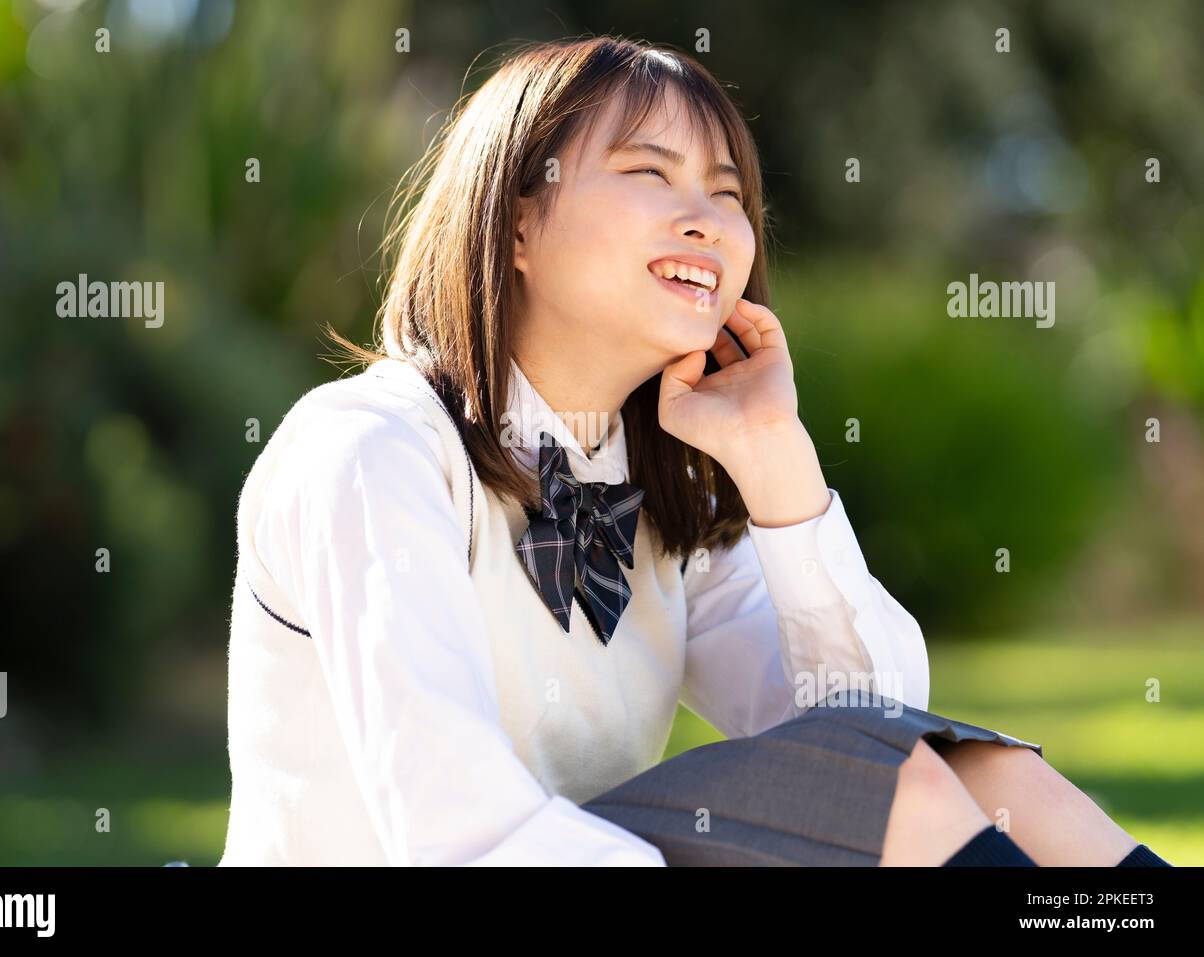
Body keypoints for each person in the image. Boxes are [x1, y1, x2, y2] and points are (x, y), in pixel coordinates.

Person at [218, 36, 1171, 867]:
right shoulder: (371, 449)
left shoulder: (660, 497)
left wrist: (771, 454)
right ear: (515, 222)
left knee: (986, 771)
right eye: (650, 173)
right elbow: (457, 829)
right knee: (902, 799)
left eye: (727, 191)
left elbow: (876, 726)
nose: (707, 219)